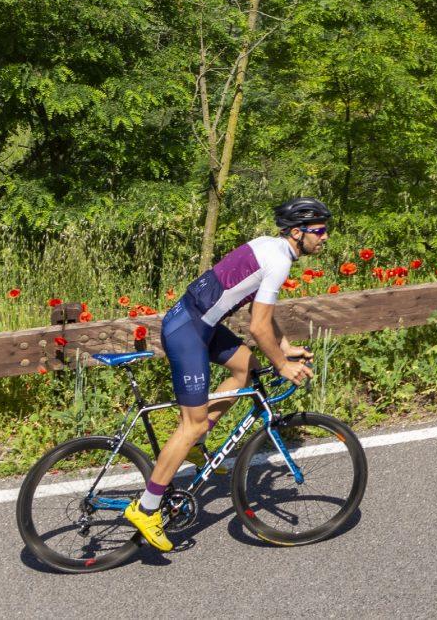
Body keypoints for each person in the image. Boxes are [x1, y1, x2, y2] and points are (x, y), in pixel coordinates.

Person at [123, 198, 333, 551]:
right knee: (190, 423)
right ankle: (146, 508)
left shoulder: (270, 246)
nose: (325, 237)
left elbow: (259, 310)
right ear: (297, 233)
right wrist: (283, 365)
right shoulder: (280, 260)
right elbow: (257, 326)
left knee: (245, 367)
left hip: (196, 322)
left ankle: (197, 444)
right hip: (189, 330)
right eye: (321, 231)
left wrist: (283, 346)